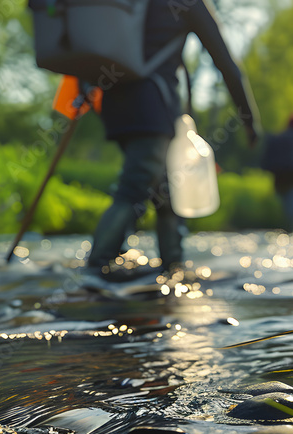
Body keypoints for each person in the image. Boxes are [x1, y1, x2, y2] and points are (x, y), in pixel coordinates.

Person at [86, 0, 260, 278]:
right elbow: (226, 65)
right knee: (134, 189)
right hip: (152, 106)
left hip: (114, 103)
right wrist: (250, 121)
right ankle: (95, 270)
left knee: (165, 192)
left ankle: (173, 270)